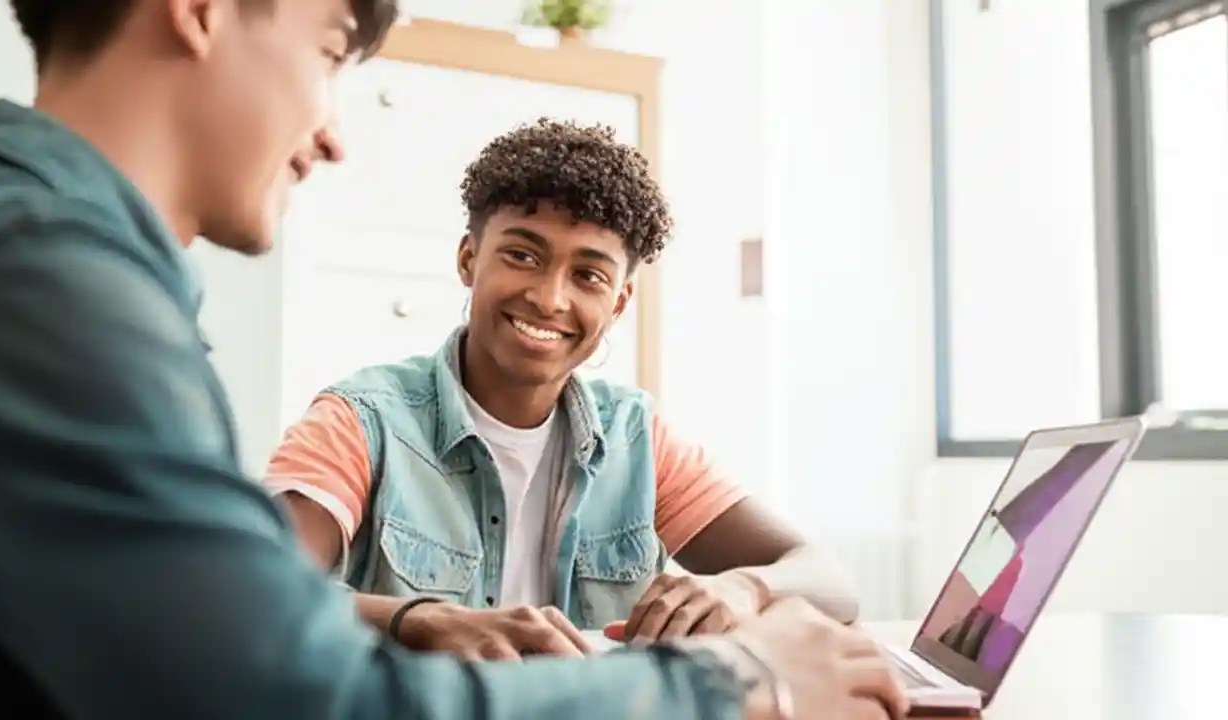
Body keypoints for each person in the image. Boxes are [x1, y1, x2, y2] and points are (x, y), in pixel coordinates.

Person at [0, 1, 906, 718]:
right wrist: (738, 681)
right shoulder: (49, 286)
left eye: (589, 274)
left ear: (621, 301)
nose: (329, 133)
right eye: (330, 50)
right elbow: (285, 679)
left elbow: (218, 636)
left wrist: (740, 600)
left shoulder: (49, 264)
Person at [266, 118, 863, 660]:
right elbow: (255, 589)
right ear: (469, 259)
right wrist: (421, 622)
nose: (550, 298)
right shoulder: (362, 419)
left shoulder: (636, 438)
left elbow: (830, 582)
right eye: (523, 255)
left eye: (588, 275)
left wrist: (743, 587)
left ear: (619, 300)